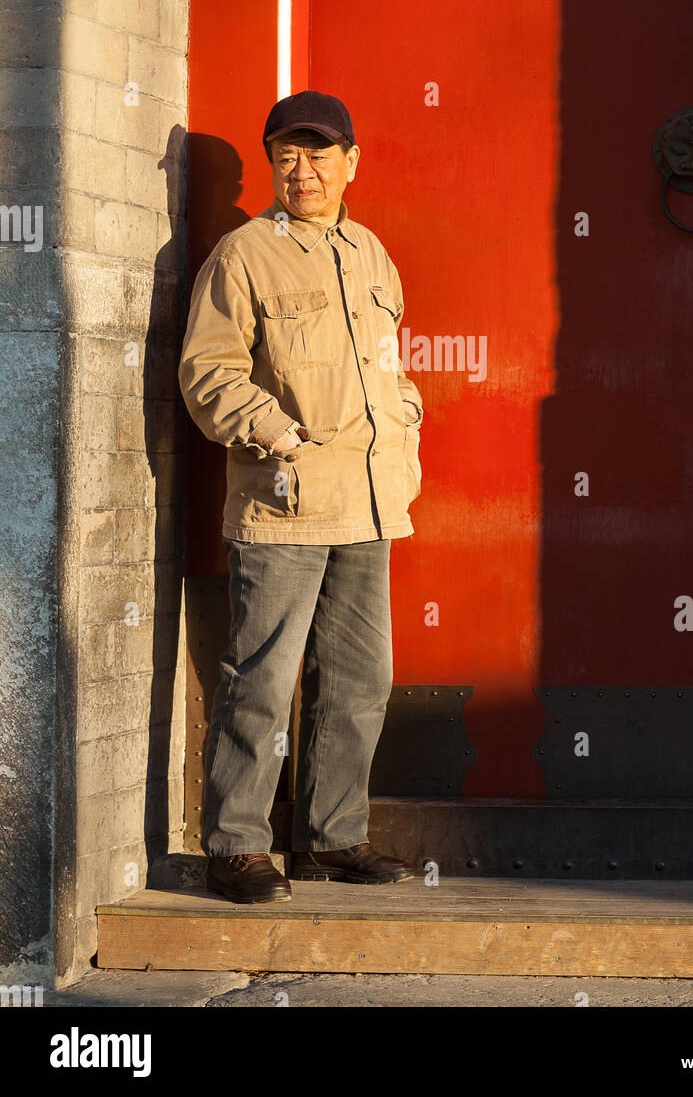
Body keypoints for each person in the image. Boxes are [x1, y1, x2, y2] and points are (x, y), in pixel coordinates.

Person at [178, 90, 424, 903]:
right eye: (287, 155)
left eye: (319, 154)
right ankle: (237, 846)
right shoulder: (244, 254)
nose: (302, 169)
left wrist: (406, 427)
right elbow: (207, 371)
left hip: (369, 500)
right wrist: (276, 432)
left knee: (359, 679)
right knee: (261, 678)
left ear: (351, 163)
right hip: (282, 503)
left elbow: (387, 367)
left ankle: (330, 838)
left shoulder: (373, 254)